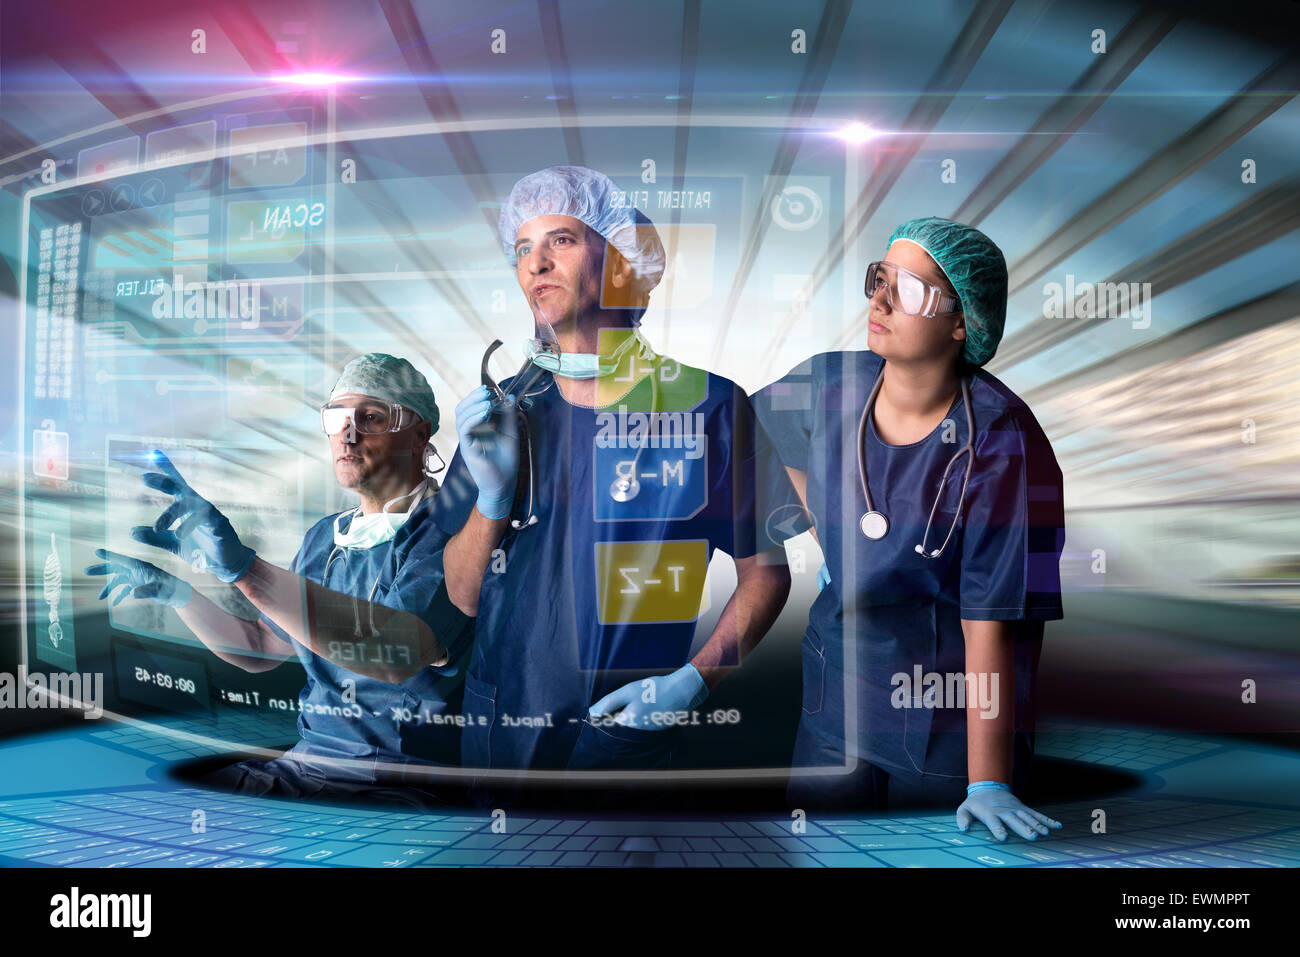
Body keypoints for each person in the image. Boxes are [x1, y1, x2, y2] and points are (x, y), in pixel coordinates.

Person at [434, 165, 803, 775]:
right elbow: (461, 595)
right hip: (504, 733)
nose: (535, 263)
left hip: (626, 739)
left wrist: (692, 683)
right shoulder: (501, 414)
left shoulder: (706, 407)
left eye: (562, 239)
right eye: (523, 248)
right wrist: (492, 501)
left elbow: (766, 576)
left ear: (625, 265)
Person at [754, 217, 1066, 841]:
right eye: (879, 278)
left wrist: (987, 782)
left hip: (950, 719)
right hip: (836, 699)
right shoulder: (827, 383)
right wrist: (830, 532)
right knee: (816, 851)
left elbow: (989, 628)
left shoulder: (1002, 445)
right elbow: (753, 426)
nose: (882, 300)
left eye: (913, 289)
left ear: (963, 323)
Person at [87, 354, 474, 801]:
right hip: (306, 766)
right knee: (148, 800)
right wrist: (177, 593)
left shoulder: (451, 537)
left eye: (370, 418)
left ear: (419, 433)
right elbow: (260, 646)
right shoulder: (323, 539)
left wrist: (245, 570)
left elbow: (390, 653)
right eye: (337, 419)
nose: (347, 436)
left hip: (395, 787)